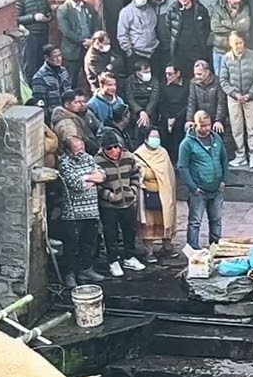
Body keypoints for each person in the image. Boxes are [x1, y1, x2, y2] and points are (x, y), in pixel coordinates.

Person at [56, 136, 108, 288]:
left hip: (91, 211)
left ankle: (86, 269)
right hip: (73, 213)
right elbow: (76, 184)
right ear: (69, 150)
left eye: (82, 147)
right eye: (77, 149)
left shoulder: (89, 158)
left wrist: (86, 178)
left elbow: (102, 175)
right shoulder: (64, 163)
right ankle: (70, 274)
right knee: (72, 245)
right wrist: (91, 179)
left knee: (89, 243)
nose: (81, 151)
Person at [94, 131, 144, 278]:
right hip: (108, 206)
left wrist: (133, 191)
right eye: (109, 148)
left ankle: (129, 257)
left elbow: (135, 175)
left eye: (116, 147)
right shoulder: (97, 161)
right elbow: (96, 185)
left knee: (130, 231)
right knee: (111, 234)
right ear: (103, 149)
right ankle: (113, 261)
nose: (114, 151)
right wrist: (108, 195)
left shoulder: (129, 157)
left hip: (128, 202)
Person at [178, 111, 229, 249]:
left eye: (208, 125)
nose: (207, 128)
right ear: (195, 125)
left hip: (216, 189)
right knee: (195, 222)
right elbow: (182, 166)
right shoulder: (187, 143)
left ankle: (215, 247)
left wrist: (224, 179)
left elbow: (224, 159)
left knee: (216, 220)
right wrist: (193, 187)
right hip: (199, 191)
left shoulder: (216, 138)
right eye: (203, 125)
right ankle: (193, 249)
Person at [218, 31, 253, 171]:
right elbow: (223, 80)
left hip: (251, 98)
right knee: (236, 128)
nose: (238, 46)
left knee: (252, 128)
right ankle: (240, 155)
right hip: (234, 99)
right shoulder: (226, 58)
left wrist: (250, 94)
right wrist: (234, 94)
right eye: (235, 43)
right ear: (230, 44)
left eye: (240, 43)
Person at [133, 128, 176, 260]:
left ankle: (167, 247)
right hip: (148, 194)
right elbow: (138, 174)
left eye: (157, 137)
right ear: (146, 138)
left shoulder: (163, 153)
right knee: (148, 221)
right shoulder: (139, 155)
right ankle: (149, 252)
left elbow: (169, 174)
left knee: (166, 218)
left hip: (164, 193)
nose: (155, 139)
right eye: (153, 137)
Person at [57, 0, 101, 90]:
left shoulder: (88, 7)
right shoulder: (63, 10)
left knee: (92, 78)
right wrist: (83, 41)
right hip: (73, 50)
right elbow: (66, 31)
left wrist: (93, 39)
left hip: (90, 48)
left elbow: (97, 23)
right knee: (72, 80)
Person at [15, 0, 53, 82]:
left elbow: (48, 10)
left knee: (42, 63)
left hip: (43, 33)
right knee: (30, 66)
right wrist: (34, 17)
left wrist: (49, 16)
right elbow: (16, 18)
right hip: (29, 36)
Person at [210, 0, 250, 74]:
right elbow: (215, 27)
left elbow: (244, 27)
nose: (238, 0)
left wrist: (225, 23)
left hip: (238, 52)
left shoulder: (244, 9)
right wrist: (235, 29)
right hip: (220, 51)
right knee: (220, 77)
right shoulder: (218, 9)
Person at [185, 60, 228, 141]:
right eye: (195, 74)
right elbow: (192, 101)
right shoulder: (193, 82)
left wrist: (219, 120)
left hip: (214, 119)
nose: (196, 77)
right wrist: (189, 120)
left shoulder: (218, 82)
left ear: (207, 72)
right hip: (200, 119)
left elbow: (221, 102)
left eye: (199, 74)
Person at [117, 0, 158, 67]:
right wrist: (130, 52)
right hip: (137, 54)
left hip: (154, 52)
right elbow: (122, 35)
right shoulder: (126, 12)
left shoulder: (151, 9)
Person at [32, 46, 73, 111]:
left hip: (67, 109)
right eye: (55, 56)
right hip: (52, 111)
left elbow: (68, 89)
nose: (58, 59)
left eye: (59, 55)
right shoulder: (40, 77)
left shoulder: (63, 71)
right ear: (47, 58)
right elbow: (40, 101)